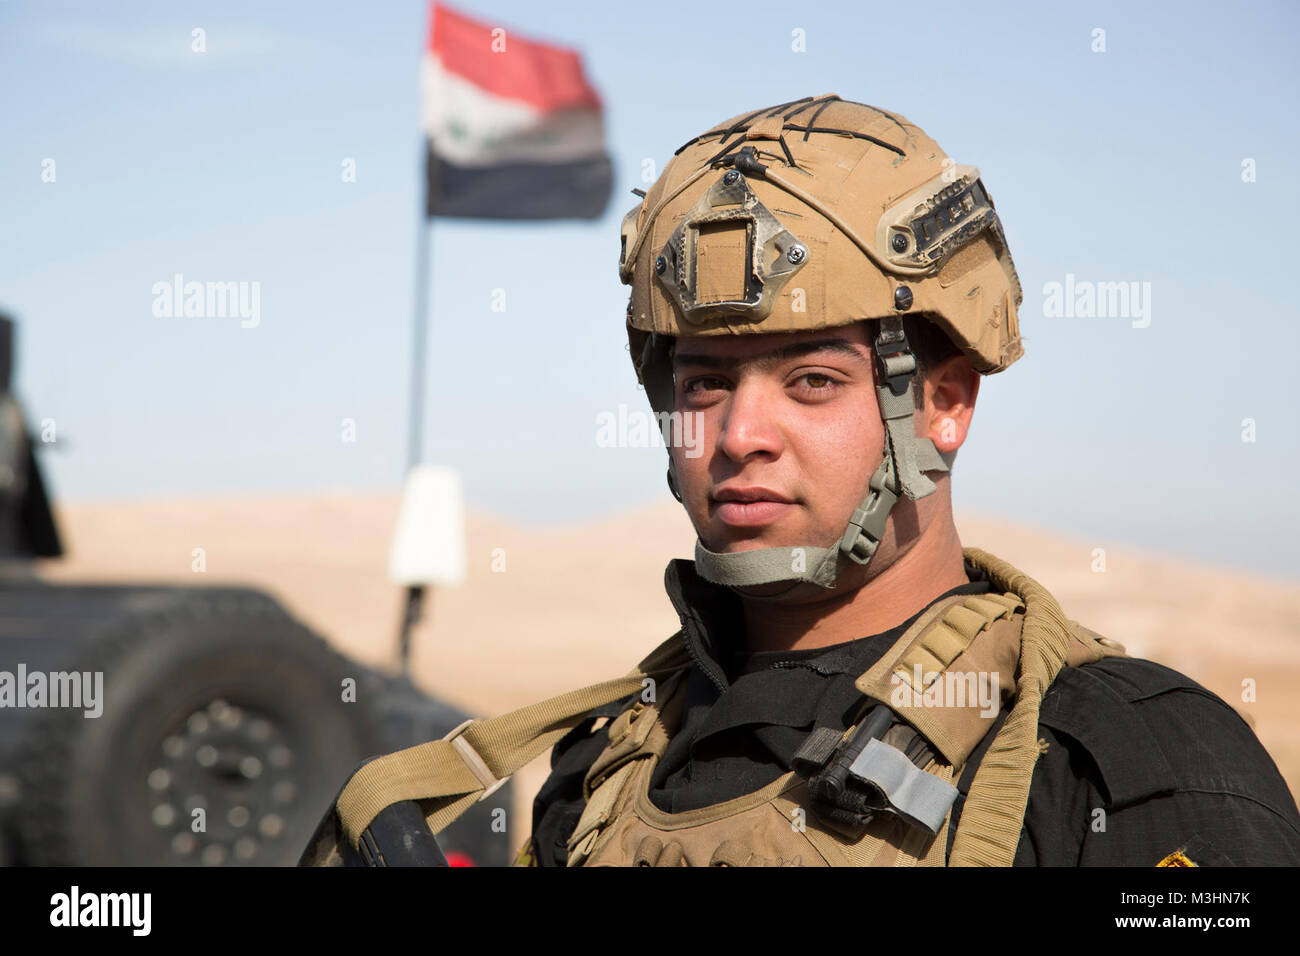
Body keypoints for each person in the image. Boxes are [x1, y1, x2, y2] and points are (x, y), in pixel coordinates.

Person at [301, 94, 1300, 868]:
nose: (739, 434)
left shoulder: (1122, 756)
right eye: (704, 382)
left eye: (812, 382)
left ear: (944, 403)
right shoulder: (609, 761)